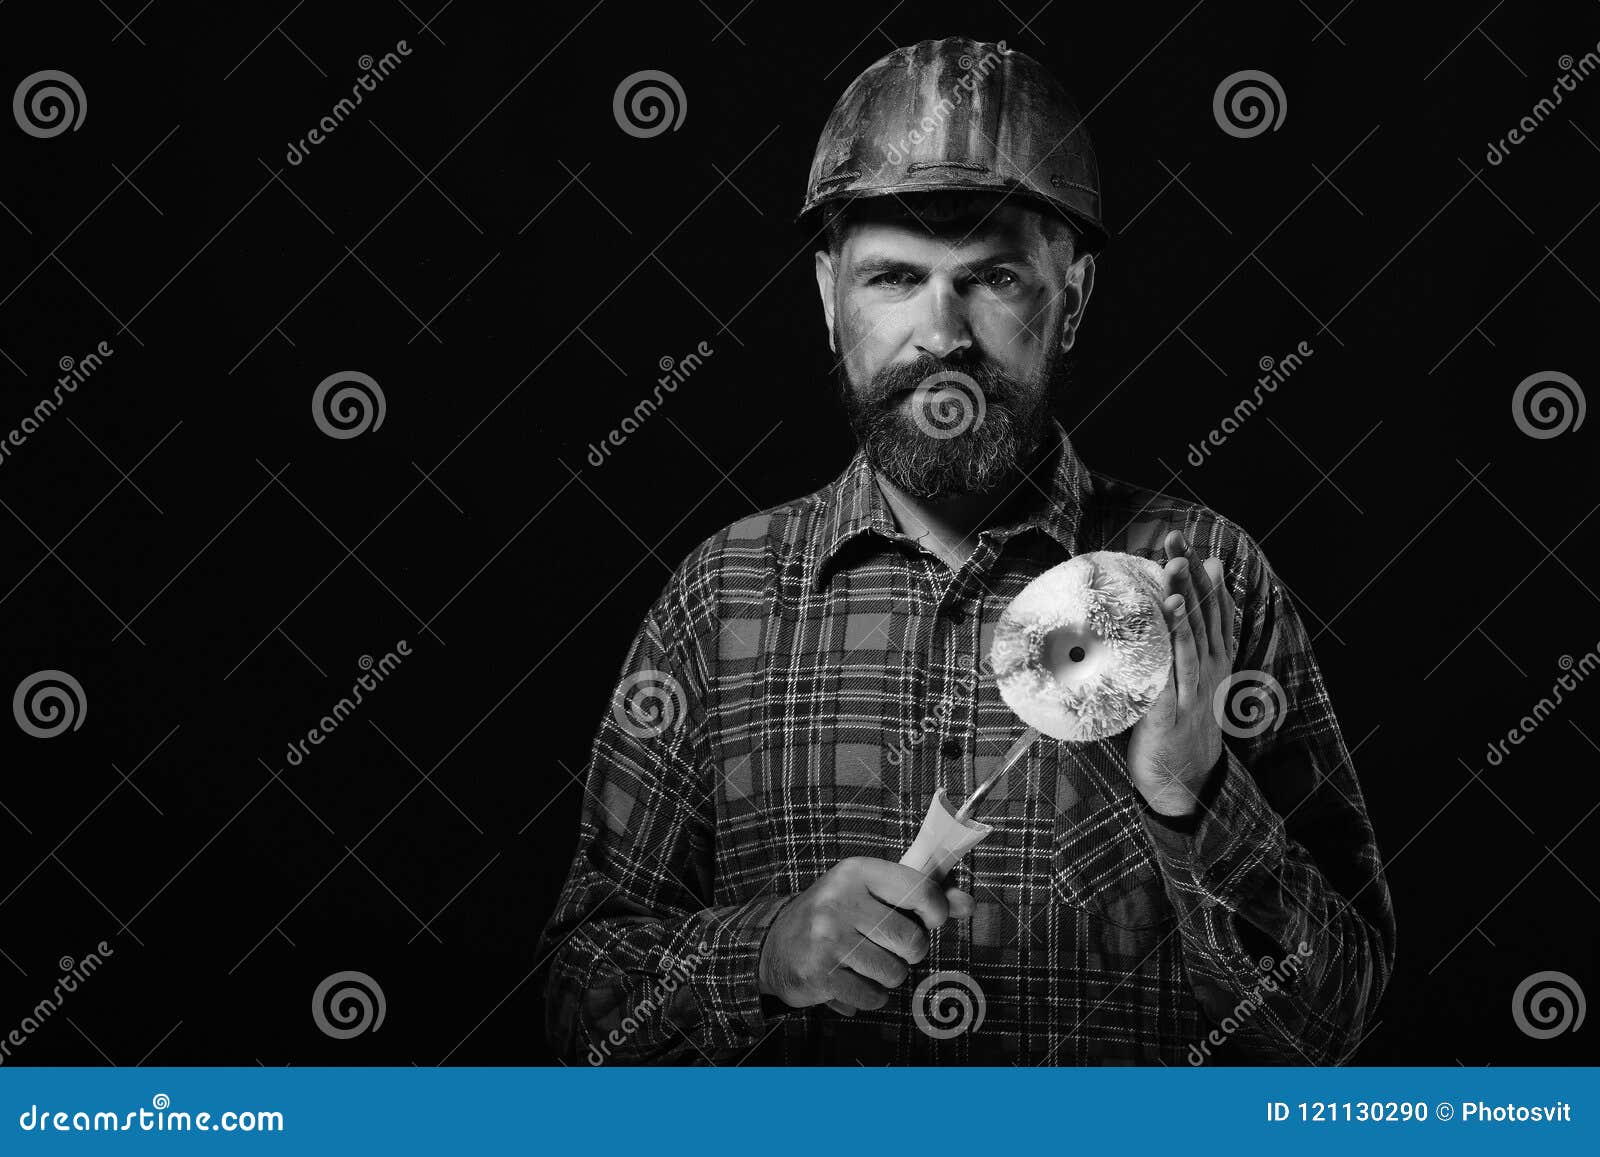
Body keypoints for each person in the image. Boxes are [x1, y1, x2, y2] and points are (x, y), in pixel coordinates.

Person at [540, 36, 1394, 1064]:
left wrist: (1194, 796)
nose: (940, 333)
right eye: (894, 277)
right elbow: (577, 1010)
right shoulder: (719, 597)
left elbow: (1337, 1024)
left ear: (1068, 299)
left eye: (989, 276)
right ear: (828, 299)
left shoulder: (1202, 577)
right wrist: (761, 952)